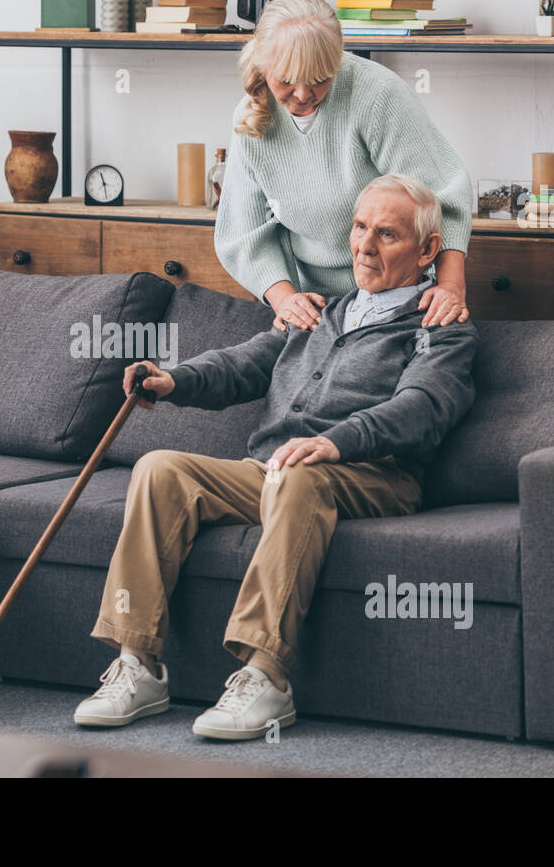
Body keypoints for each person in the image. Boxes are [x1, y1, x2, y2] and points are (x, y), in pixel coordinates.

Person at [74, 174, 478, 740]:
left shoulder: (440, 326)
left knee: (296, 477)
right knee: (160, 469)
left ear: (428, 249)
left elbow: (423, 407)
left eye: (386, 234)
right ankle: (137, 664)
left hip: (373, 475)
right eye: (360, 227)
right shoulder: (324, 310)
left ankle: (265, 677)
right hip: (273, 470)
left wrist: (340, 441)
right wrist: (173, 380)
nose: (364, 245)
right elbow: (245, 362)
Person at [216, 0, 475, 334]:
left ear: (337, 61)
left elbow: (443, 197)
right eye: (288, 81)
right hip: (317, 310)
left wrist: (451, 288)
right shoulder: (250, 116)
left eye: (320, 79)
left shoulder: (376, 94)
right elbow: (243, 232)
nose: (303, 95)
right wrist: (285, 300)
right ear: (264, 67)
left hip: (397, 301)